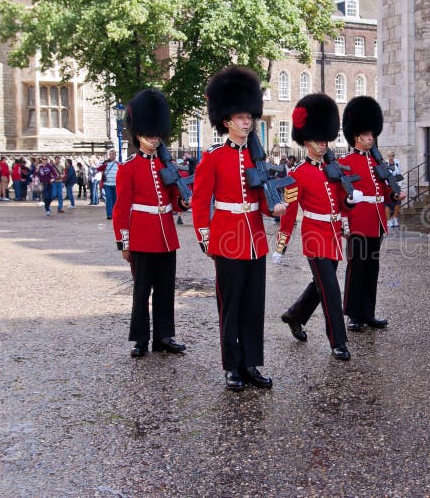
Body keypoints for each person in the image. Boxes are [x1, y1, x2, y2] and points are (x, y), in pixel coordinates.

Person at [192, 66, 285, 391]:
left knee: (253, 306)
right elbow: (201, 201)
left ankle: (251, 363)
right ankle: (232, 366)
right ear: (227, 121)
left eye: (249, 117)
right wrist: (204, 235)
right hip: (227, 237)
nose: (246, 122)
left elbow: (260, 197)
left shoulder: (257, 157)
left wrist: (272, 206)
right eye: (240, 117)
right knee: (230, 306)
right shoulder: (213, 157)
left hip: (255, 238)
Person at [274, 93, 354, 361]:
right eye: (319, 139)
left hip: (333, 234)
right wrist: (281, 244)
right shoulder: (297, 174)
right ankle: (338, 342)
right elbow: (290, 211)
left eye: (325, 139)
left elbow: (341, 203)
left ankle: (295, 315)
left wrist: (349, 202)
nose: (323, 143)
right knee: (330, 288)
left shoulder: (333, 169)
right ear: (306, 141)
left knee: (321, 284)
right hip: (314, 235)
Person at [113, 89, 188, 358]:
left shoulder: (167, 165)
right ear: (139, 134)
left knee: (166, 290)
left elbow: (174, 200)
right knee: (142, 291)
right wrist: (124, 242)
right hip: (142, 236)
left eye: (157, 134)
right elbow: (121, 208)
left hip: (166, 234)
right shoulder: (129, 168)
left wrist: (183, 202)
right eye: (150, 133)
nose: (154, 139)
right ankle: (141, 339)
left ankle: (164, 336)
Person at [339, 96, 405, 332]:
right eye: (367, 135)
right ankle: (353, 313)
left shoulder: (377, 161)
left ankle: (368, 312)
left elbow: (384, 188)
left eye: (372, 135)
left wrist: (395, 195)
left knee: (372, 268)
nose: (371, 138)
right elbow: (341, 196)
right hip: (359, 220)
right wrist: (344, 224)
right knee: (357, 268)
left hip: (376, 220)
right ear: (357, 137)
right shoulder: (346, 161)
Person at [383, 151, 403, 227]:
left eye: (392, 155)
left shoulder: (397, 163)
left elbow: (399, 173)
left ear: (394, 156)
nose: (391, 156)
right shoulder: (385, 164)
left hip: (396, 185)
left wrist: (400, 185)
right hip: (388, 185)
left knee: (398, 201)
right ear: (387, 156)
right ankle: (388, 220)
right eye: (389, 155)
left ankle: (394, 218)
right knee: (387, 202)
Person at [98, 149, 119, 219]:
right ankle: (109, 214)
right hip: (107, 184)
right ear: (109, 155)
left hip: (115, 184)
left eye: (113, 154)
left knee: (115, 199)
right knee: (109, 199)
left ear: (115, 155)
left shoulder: (118, 164)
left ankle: (114, 213)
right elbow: (98, 169)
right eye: (110, 154)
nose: (112, 156)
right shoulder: (105, 163)